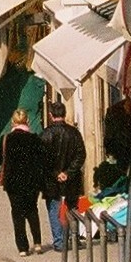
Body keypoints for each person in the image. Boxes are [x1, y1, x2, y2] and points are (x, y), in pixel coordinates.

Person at [0, 107, 44, 256]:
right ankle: (37, 243)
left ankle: (23, 247)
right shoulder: (35, 139)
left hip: (13, 182)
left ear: (12, 122)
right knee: (32, 210)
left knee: (17, 213)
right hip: (32, 182)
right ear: (27, 121)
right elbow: (42, 160)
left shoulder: (6, 139)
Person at [40, 99, 86, 251]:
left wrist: (56, 174)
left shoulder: (46, 134)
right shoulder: (74, 133)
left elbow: (42, 159)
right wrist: (68, 172)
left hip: (51, 180)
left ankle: (59, 241)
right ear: (64, 114)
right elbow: (81, 155)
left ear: (51, 115)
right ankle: (74, 237)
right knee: (73, 208)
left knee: (54, 208)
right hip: (71, 179)